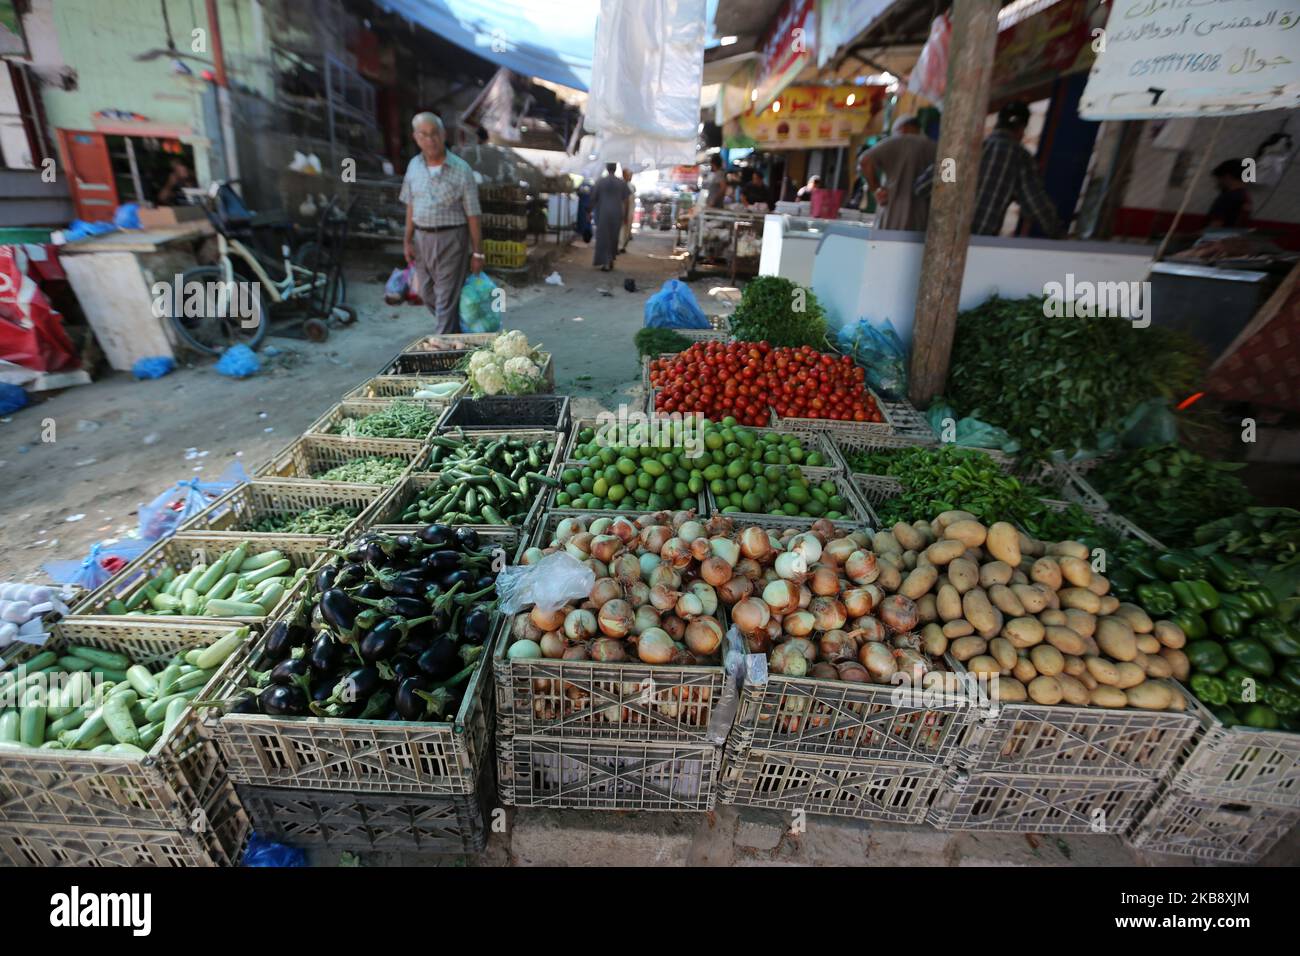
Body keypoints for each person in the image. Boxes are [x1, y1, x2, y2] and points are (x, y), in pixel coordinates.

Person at [401, 112, 485, 333]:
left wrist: (478, 252)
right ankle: (455, 334)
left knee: (445, 297)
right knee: (426, 293)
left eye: (435, 134)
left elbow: (473, 215)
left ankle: (443, 349)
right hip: (421, 239)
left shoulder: (461, 169)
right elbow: (410, 205)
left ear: (443, 134)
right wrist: (407, 240)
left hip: (452, 240)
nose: (430, 140)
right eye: (424, 135)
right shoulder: (413, 166)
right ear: (416, 137)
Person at [970, 101, 1062, 237]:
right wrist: (1058, 233)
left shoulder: (966, 149)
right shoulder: (1020, 157)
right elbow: (1036, 205)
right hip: (977, 243)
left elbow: (934, 180)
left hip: (940, 239)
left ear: (997, 124)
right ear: (1021, 129)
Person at [858, 115, 936, 231]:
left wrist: (876, 189)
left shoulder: (896, 141)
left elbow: (864, 161)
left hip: (892, 217)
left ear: (903, 128)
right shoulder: (935, 146)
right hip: (922, 222)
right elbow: (949, 181)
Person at [591, 162, 629, 271]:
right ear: (615, 168)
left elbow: (593, 198)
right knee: (613, 237)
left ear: (607, 168)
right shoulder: (621, 183)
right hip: (617, 213)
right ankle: (610, 259)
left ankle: (605, 262)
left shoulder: (600, 182)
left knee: (603, 238)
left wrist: (588, 211)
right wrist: (625, 216)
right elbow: (626, 201)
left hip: (603, 213)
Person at [1205, 159, 1253, 229]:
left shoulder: (1227, 198)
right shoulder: (1245, 197)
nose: (1217, 183)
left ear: (1227, 177)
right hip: (1235, 238)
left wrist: (1188, 236)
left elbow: (1214, 227)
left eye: (1218, 179)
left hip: (1217, 238)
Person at [620, 167, 636, 252]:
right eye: (629, 175)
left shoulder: (631, 186)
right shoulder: (621, 185)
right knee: (622, 228)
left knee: (628, 228)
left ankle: (624, 245)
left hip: (630, 210)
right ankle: (620, 246)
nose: (630, 176)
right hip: (623, 210)